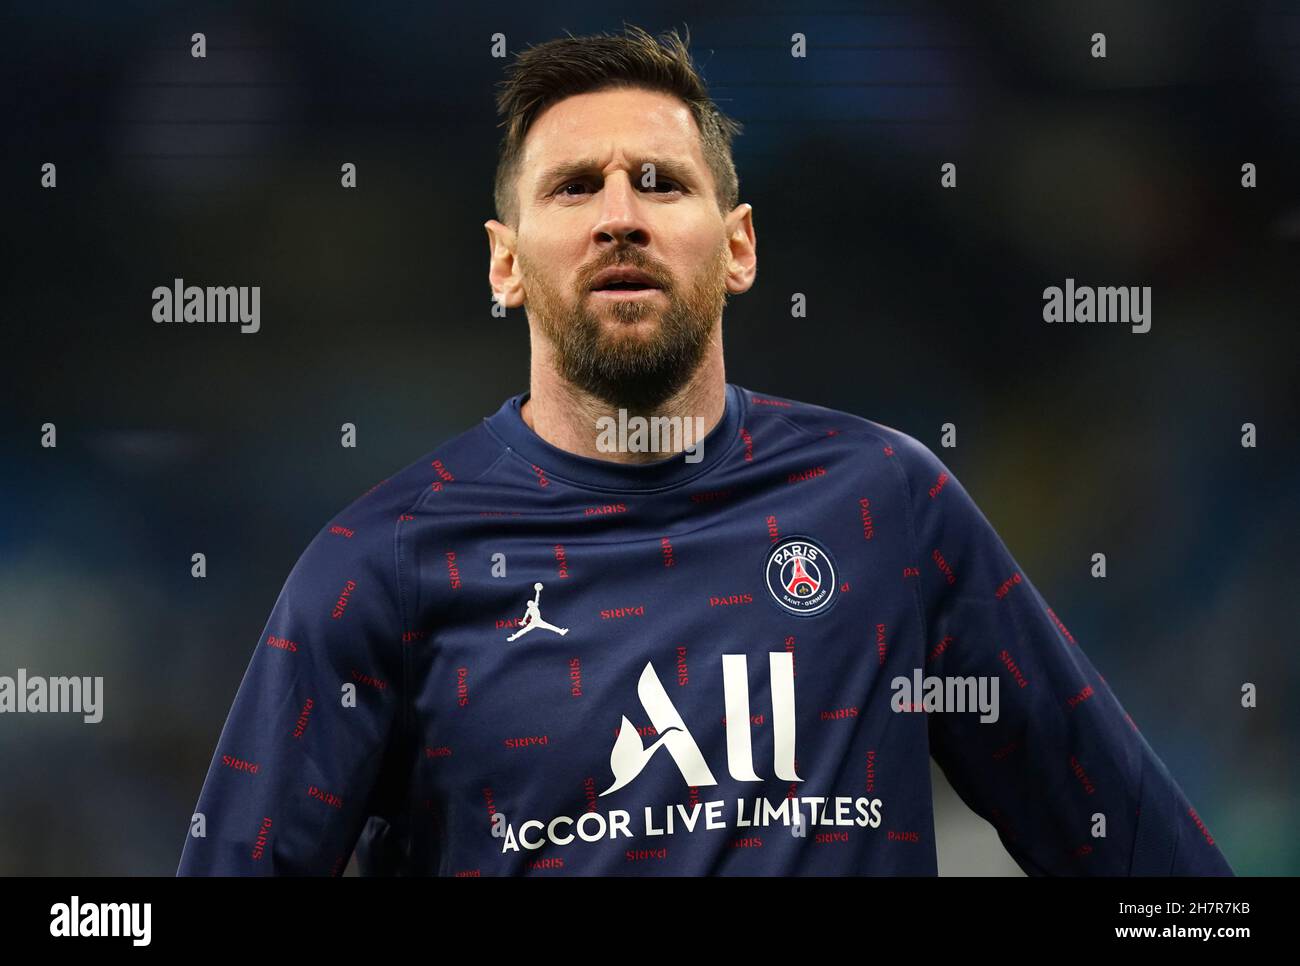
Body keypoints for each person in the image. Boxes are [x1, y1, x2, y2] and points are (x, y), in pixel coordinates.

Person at [177, 25, 1232, 876]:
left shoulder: (887, 505)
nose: (620, 217)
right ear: (504, 265)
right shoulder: (381, 566)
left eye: (660, 182)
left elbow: (1138, 851)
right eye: (574, 187)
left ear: (737, 247)